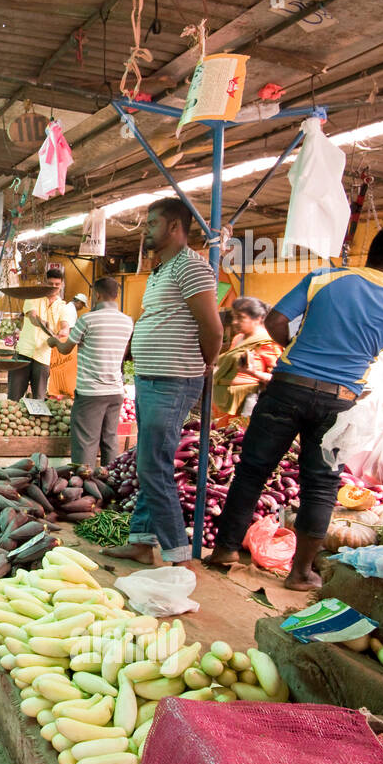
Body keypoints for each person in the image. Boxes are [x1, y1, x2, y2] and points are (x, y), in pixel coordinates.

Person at [207, 223, 383, 589]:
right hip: (340, 403)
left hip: (287, 388)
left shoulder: (325, 278)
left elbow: (276, 321)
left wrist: (296, 354)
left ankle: (224, 551)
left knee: (253, 470)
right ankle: (300, 573)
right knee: (321, 485)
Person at [104, 197, 223, 566]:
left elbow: (212, 327)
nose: (146, 230)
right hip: (151, 378)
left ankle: (177, 556)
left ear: (174, 227)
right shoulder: (160, 270)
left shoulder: (191, 267)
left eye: (153, 223)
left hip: (173, 380)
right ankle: (142, 542)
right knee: (148, 460)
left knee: (153, 465)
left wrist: (206, 365)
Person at [49, 276, 133, 468]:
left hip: (90, 393)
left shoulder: (87, 319)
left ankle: (84, 487)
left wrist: (54, 342)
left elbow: (65, 349)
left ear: (96, 295)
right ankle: (110, 481)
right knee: (110, 439)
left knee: (86, 442)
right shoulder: (127, 321)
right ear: (116, 295)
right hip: (115, 391)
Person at [10, 267, 76, 400]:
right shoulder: (33, 298)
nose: (53, 287)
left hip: (43, 356)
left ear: (62, 285)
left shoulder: (63, 306)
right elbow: (32, 316)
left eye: (57, 284)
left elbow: (65, 327)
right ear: (44, 283)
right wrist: (41, 322)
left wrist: (62, 334)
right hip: (24, 352)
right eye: (50, 284)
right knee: (13, 397)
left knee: (39, 398)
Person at [212, 297, 282, 422]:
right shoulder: (238, 338)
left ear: (258, 319)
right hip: (224, 403)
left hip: (248, 406)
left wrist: (253, 373)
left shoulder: (267, 342)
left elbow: (278, 379)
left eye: (240, 317)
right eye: (234, 317)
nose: (234, 322)